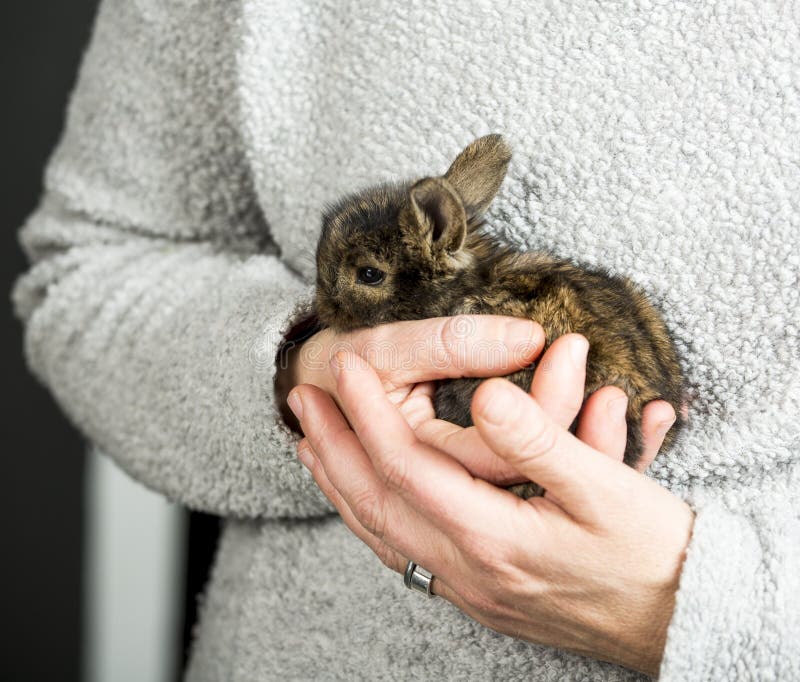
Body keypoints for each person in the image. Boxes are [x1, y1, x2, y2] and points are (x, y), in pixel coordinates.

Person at [12, 0, 799, 679]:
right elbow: (91, 264)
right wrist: (305, 375)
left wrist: (685, 610)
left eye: (356, 280)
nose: (323, 302)